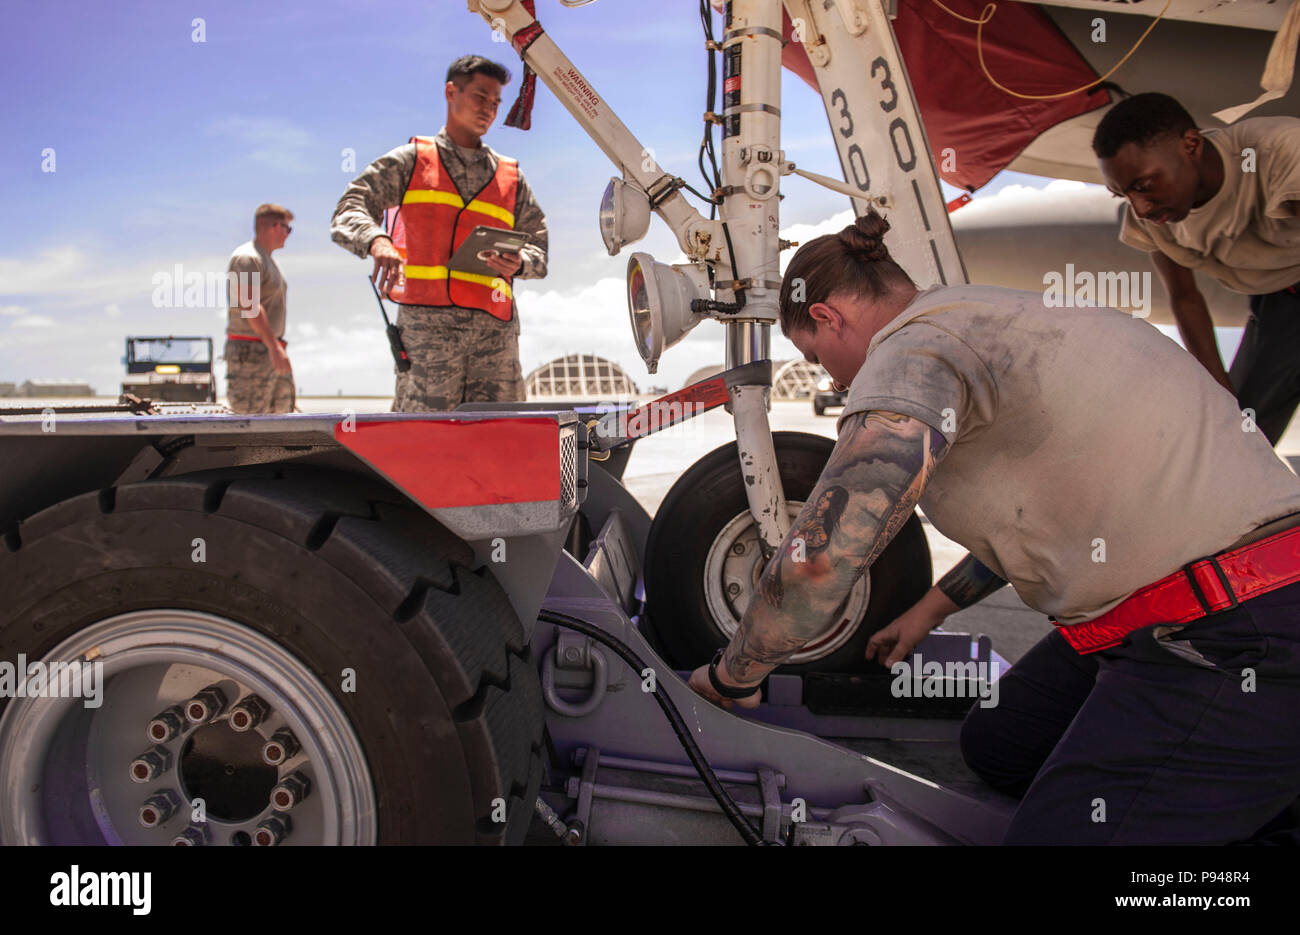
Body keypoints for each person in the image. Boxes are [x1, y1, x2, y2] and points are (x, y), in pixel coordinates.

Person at [687, 209, 1300, 845]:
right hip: (1161, 611)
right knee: (1001, 745)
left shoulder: (912, 351)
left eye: (817, 357)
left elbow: (818, 562)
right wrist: (930, 607)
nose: (832, 379)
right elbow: (1037, 513)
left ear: (827, 317)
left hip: (1239, 633)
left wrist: (734, 675)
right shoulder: (982, 318)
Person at [330, 54, 548, 412]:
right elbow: (350, 206)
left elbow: (539, 247)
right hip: (428, 338)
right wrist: (377, 240)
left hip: (495, 340)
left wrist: (520, 262)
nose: (489, 110)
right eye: (480, 97)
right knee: (421, 447)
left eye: (496, 103)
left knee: (499, 442)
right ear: (451, 92)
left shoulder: (511, 177)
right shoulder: (411, 161)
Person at [1093, 93, 1300, 445]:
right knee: (1239, 440)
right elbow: (1185, 299)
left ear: (1191, 145)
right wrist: (1221, 401)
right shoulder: (1153, 220)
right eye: (1123, 195)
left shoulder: (1278, 151)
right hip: (1281, 302)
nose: (1140, 209)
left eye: (1143, 186)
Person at [225, 203, 294, 414]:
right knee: (252, 422)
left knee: (280, 419)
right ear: (274, 226)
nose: (288, 234)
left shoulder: (267, 260)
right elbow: (250, 305)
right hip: (252, 353)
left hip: (268, 349)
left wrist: (275, 348)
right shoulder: (247, 258)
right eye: (287, 228)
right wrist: (274, 347)